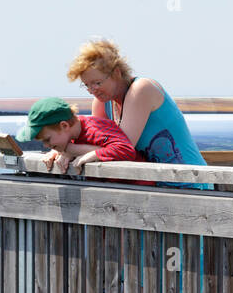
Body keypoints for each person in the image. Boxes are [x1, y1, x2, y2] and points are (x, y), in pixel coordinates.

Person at [67, 38, 212, 191]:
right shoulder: (102, 102)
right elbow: (94, 143)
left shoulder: (141, 90)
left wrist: (67, 149)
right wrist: (63, 151)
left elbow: (121, 148)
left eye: (97, 83)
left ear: (116, 73)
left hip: (193, 186)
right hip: (158, 188)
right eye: (87, 85)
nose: (92, 90)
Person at [13, 96, 152, 185]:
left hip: (141, 190)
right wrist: (57, 151)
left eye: (48, 140)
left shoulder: (96, 128)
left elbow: (126, 150)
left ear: (64, 125)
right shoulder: (71, 136)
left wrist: (90, 155)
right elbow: (69, 145)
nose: (46, 145)